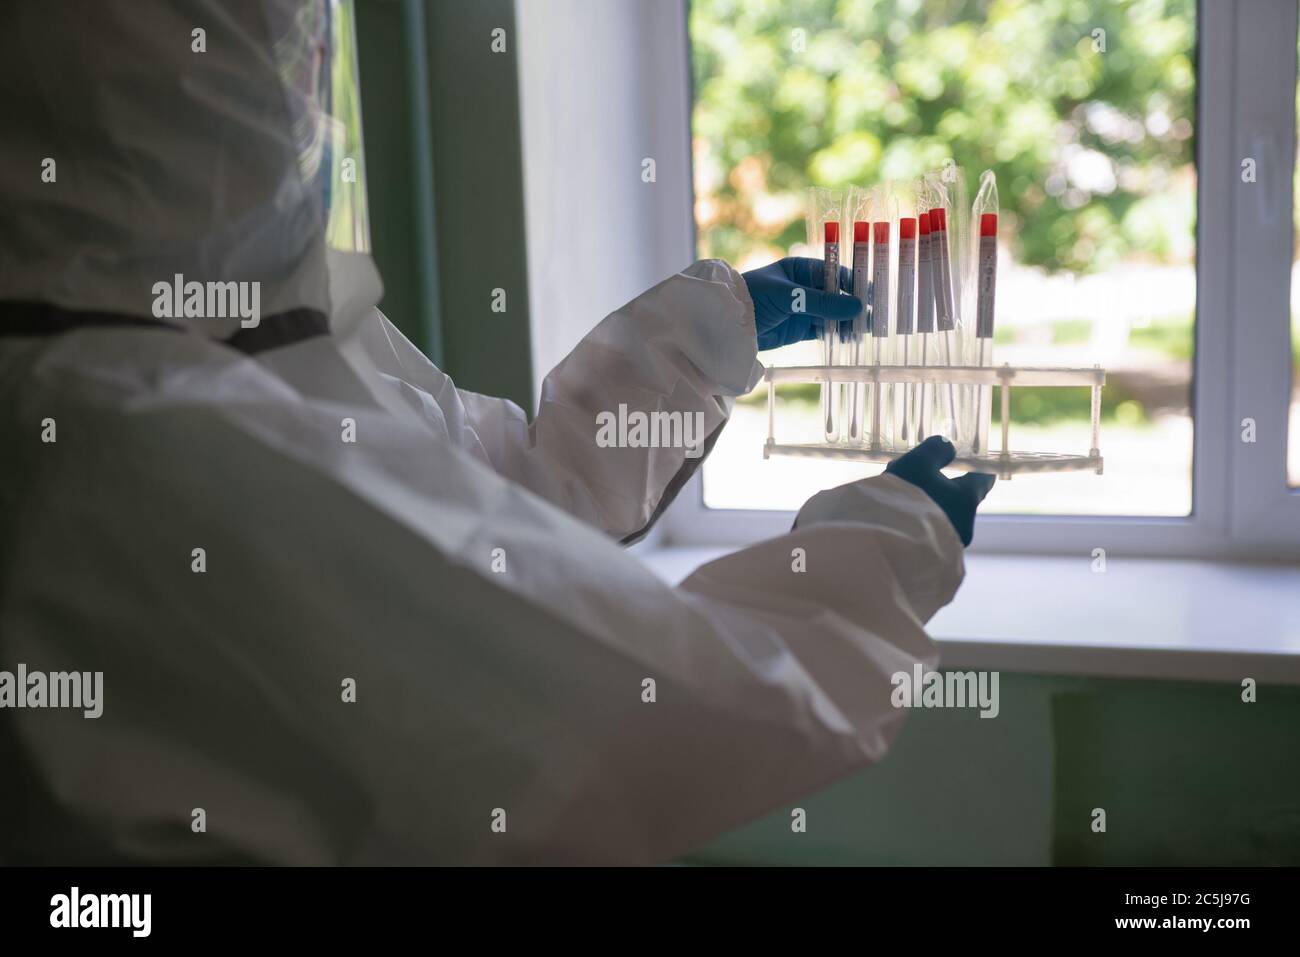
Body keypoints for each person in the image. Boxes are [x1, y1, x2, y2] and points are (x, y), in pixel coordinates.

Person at [0, 0, 992, 865]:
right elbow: (660, 717)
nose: (306, 92)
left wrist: (699, 338)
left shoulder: (248, 331)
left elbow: (499, 492)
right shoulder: (137, 430)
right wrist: (885, 552)